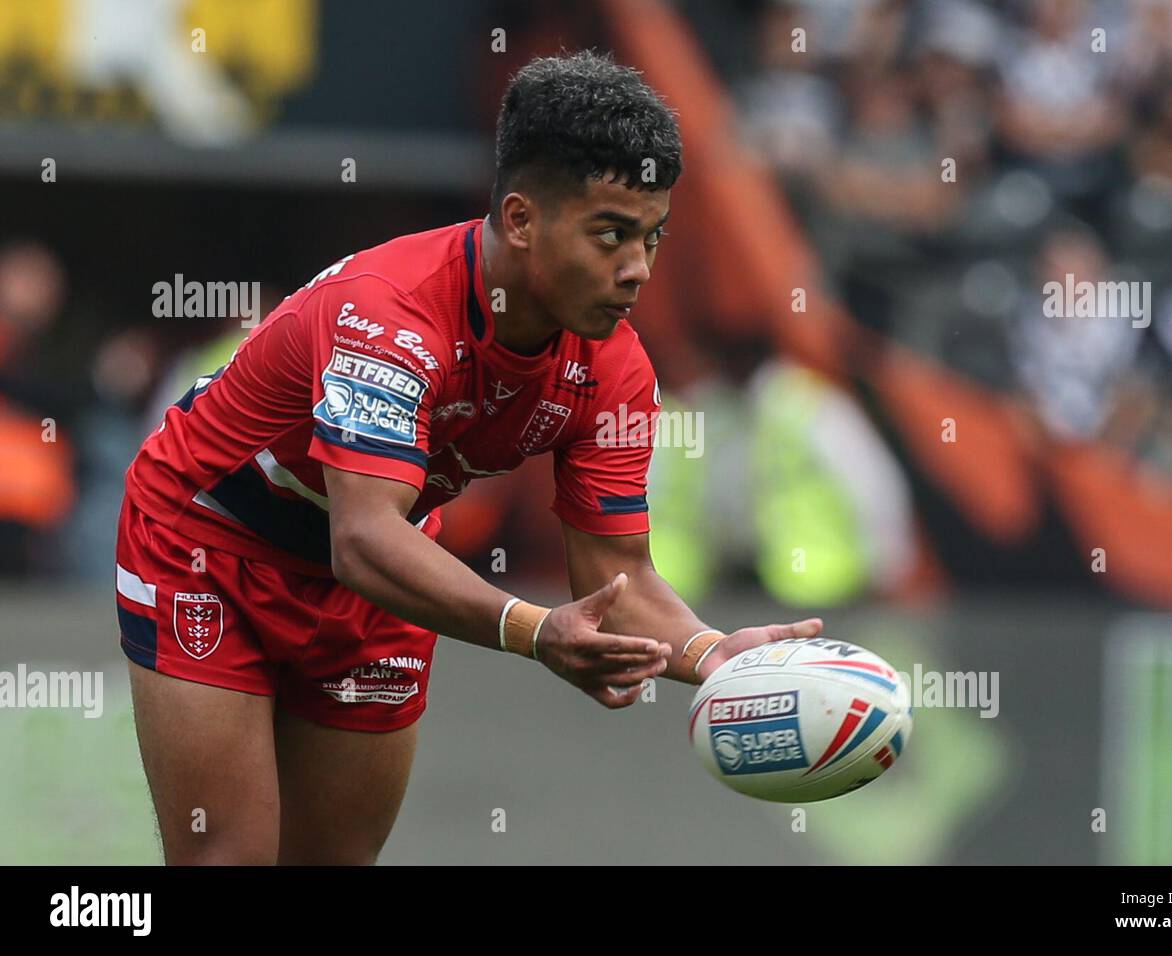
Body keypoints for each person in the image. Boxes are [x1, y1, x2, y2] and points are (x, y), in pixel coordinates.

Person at [114, 50, 822, 865]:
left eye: (653, 237)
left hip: (379, 574)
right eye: (610, 235)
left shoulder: (618, 368)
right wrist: (533, 631)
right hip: (210, 543)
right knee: (229, 858)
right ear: (521, 220)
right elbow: (363, 538)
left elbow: (616, 578)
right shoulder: (390, 317)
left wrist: (709, 654)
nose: (637, 270)